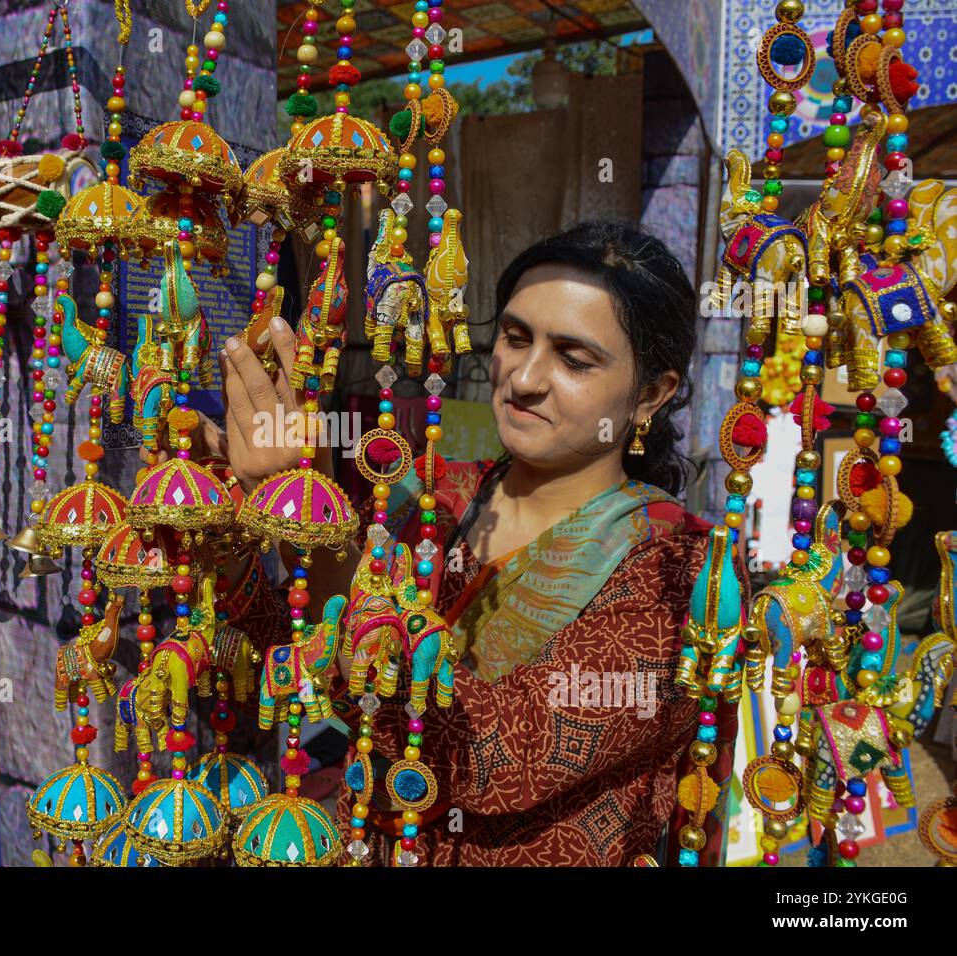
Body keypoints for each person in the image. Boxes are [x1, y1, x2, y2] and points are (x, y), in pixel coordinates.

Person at [160, 220, 732, 866]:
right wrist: (227, 523)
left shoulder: (679, 571)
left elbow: (492, 752)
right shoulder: (435, 503)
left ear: (651, 395)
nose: (524, 378)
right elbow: (300, 654)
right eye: (515, 339)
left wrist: (309, 520)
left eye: (573, 359)